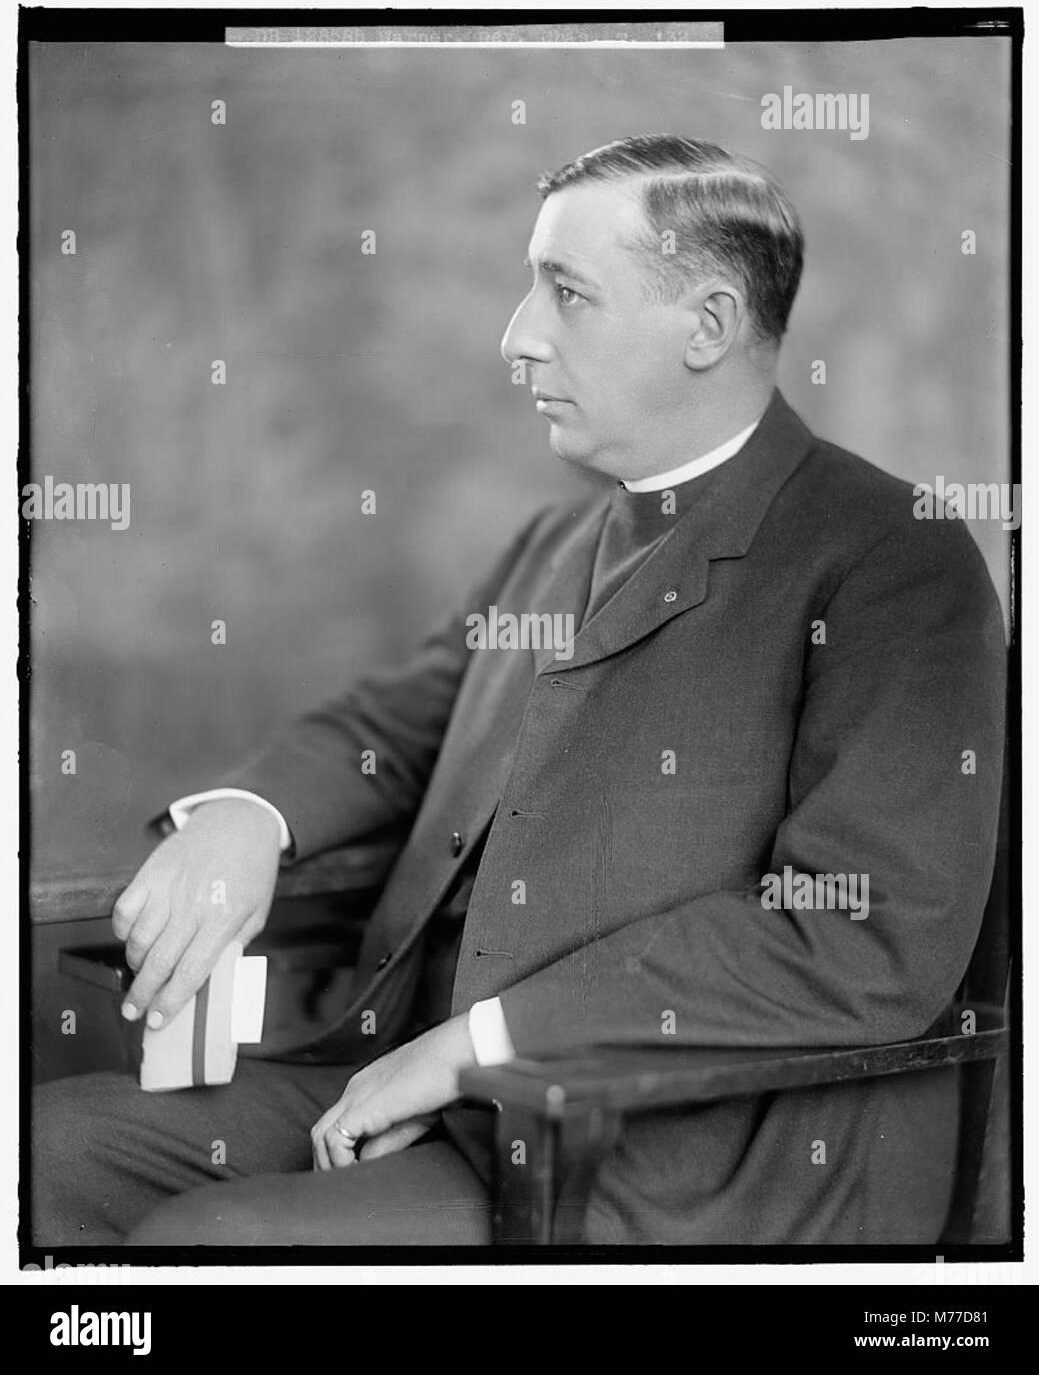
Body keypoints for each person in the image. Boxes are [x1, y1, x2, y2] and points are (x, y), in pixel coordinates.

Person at [32, 135, 1006, 1247]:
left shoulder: (890, 559)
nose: (516, 335)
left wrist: (476, 1042)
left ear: (708, 325)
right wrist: (243, 820)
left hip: (638, 1145)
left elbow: (865, 933)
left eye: (566, 292)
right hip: (400, 1061)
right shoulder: (560, 538)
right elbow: (393, 730)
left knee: (218, 1244)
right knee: (47, 1157)